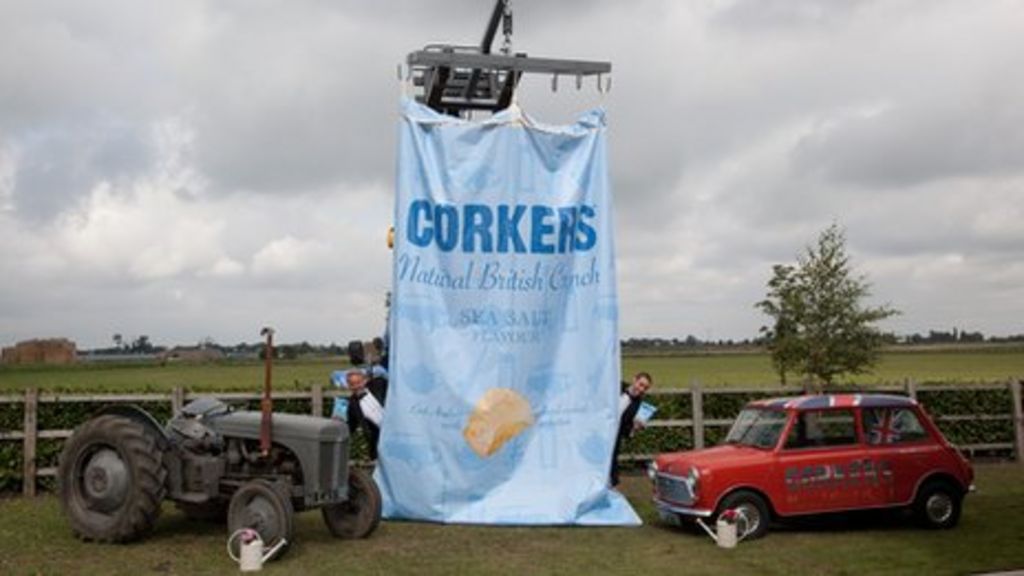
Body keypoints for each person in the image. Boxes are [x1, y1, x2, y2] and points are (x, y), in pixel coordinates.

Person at [610, 371, 653, 487]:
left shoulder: (638, 405)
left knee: (611, 467)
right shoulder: (615, 385)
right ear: (634, 380)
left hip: (614, 438)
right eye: (641, 384)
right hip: (596, 431)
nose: (642, 389)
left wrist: (635, 428)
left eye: (645, 388)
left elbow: (626, 429)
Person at [344, 368, 389, 460]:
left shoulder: (378, 385)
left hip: (398, 430)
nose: (356, 386)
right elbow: (350, 427)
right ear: (348, 386)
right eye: (352, 384)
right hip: (378, 440)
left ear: (365, 381)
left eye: (358, 382)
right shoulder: (353, 405)